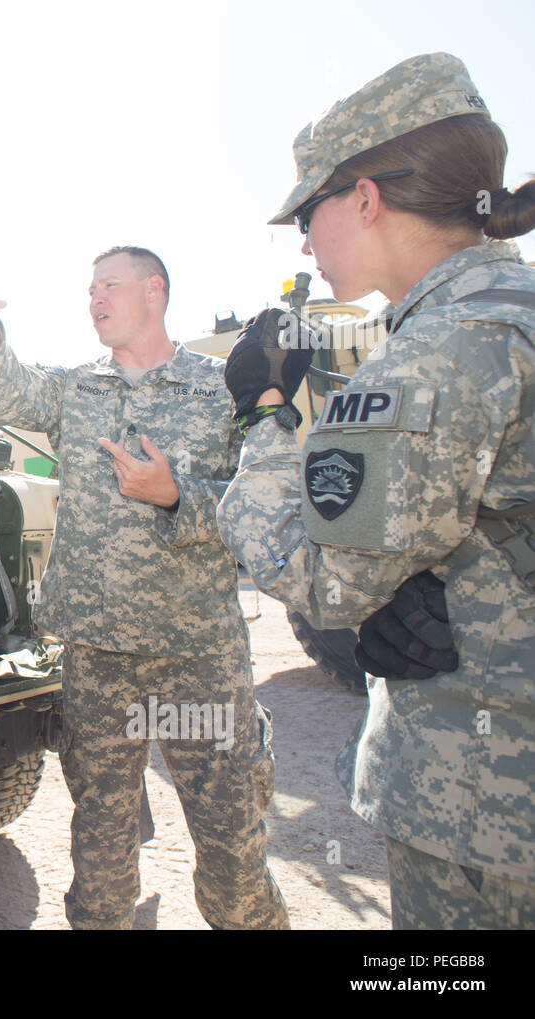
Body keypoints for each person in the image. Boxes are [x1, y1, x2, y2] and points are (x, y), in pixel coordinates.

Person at [217, 52, 535, 929]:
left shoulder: (437, 352)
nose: (303, 243)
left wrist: (264, 410)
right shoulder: (510, 313)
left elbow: (322, 580)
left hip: (485, 815)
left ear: (364, 198)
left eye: (307, 214)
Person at [0, 242, 290, 930]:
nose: (95, 299)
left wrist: (176, 495)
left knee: (232, 848)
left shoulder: (221, 387)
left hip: (197, 652)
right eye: (90, 289)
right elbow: (2, 387)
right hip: (97, 654)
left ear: (154, 290)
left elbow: (264, 500)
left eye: (109, 285)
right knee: (100, 844)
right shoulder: (76, 388)